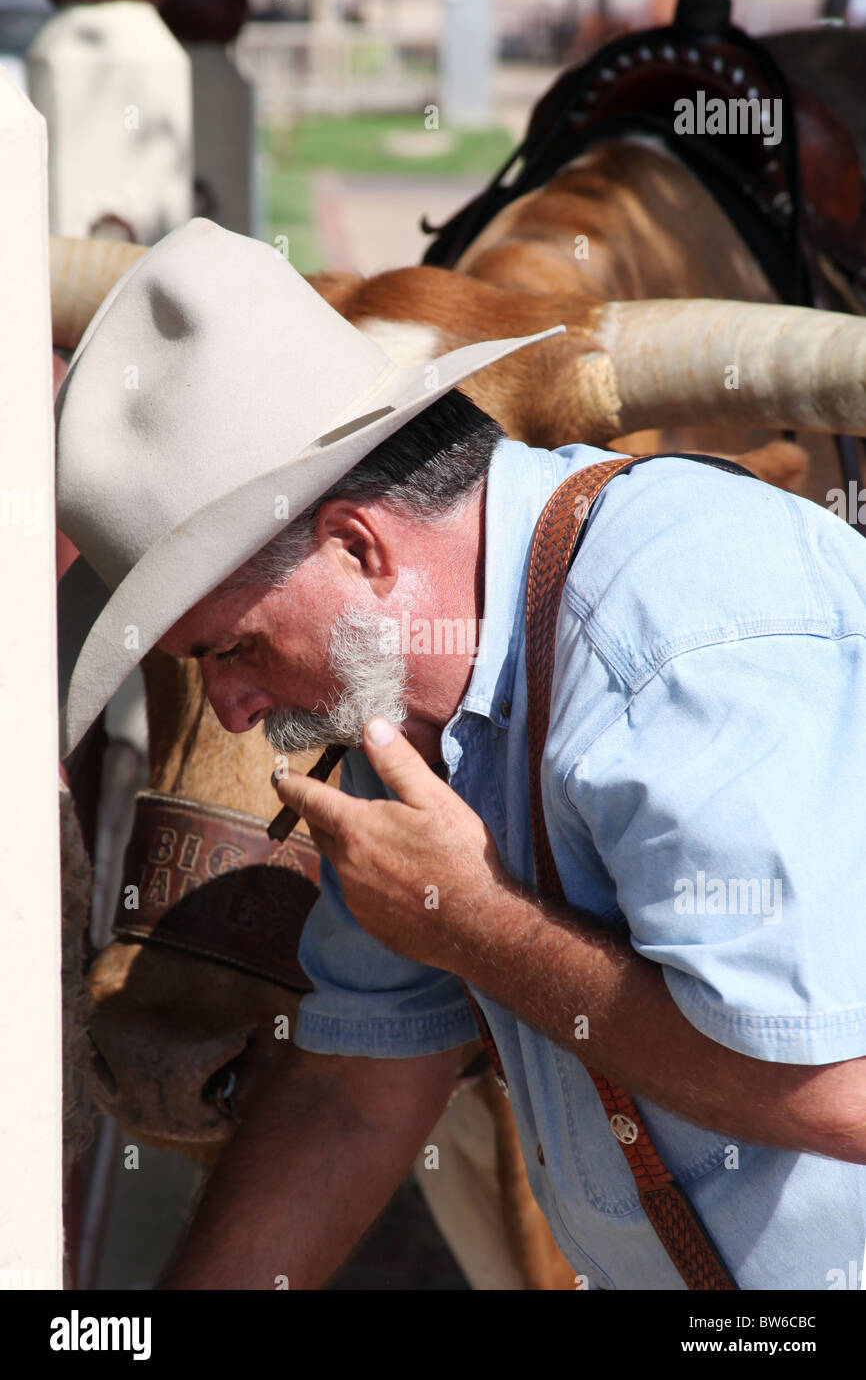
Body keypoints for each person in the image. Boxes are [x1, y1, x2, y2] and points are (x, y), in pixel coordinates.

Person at [57, 219, 866, 1291]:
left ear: (357, 544)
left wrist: (471, 922)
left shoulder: (676, 633)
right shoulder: (411, 722)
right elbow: (355, 1089)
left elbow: (835, 1091)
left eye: (236, 648)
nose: (234, 712)